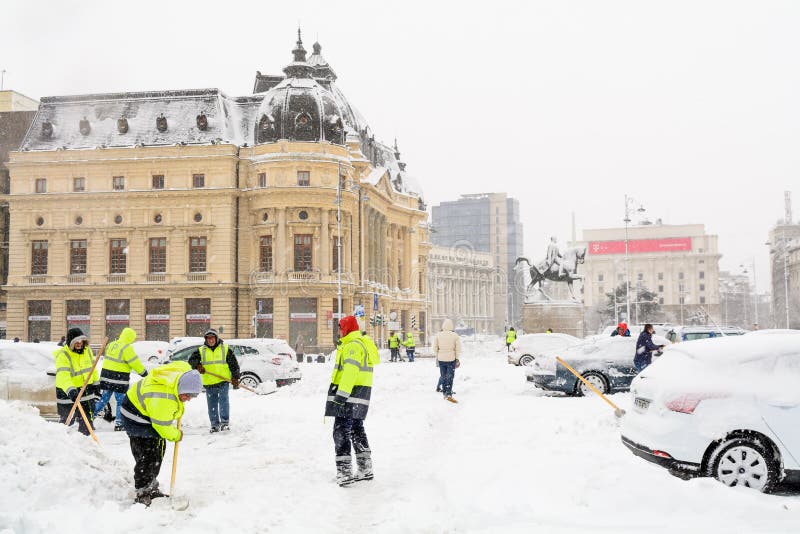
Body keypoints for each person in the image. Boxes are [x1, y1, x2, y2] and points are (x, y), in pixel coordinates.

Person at [119, 361, 201, 506]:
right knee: (147, 455)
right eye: (187, 395)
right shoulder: (163, 397)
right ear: (181, 388)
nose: (188, 399)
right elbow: (161, 425)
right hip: (135, 417)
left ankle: (151, 486)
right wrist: (176, 435)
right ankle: (142, 491)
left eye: (192, 396)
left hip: (147, 411)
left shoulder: (181, 375)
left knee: (158, 450)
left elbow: (186, 366)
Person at [325, 315, 379, 487]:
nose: (339, 331)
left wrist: (341, 395)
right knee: (356, 430)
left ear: (347, 329)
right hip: (359, 395)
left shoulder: (352, 346)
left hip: (350, 395)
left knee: (341, 431)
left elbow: (350, 372)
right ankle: (365, 468)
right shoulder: (359, 343)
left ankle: (345, 472)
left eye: (341, 328)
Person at [95, 327, 148, 431]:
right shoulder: (126, 348)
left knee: (103, 399)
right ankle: (119, 424)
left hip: (106, 377)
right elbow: (134, 363)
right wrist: (144, 373)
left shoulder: (111, 344)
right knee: (121, 401)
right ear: (130, 338)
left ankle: (89, 417)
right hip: (119, 379)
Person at [188, 329, 240, 433]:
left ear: (216, 338)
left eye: (212, 338)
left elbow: (233, 364)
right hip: (209, 383)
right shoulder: (201, 350)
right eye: (208, 338)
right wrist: (197, 365)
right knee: (212, 405)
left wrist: (235, 377)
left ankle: (225, 423)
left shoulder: (225, 349)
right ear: (206, 339)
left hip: (223, 381)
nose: (210, 340)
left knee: (223, 402)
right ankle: (214, 424)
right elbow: (191, 360)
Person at [53, 327, 99, 436]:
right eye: (75, 341)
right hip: (67, 391)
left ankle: (85, 443)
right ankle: (61, 443)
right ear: (70, 342)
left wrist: (96, 383)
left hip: (85, 389)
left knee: (87, 419)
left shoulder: (87, 350)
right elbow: (63, 375)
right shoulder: (63, 355)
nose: (79, 343)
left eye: (81, 341)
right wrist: (71, 390)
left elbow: (92, 368)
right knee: (67, 420)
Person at [434, 319, 461, 403]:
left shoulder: (438, 335)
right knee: (450, 376)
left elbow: (435, 348)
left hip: (441, 359)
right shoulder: (455, 335)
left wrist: (438, 355)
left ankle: (445, 393)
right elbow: (458, 349)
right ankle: (448, 393)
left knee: (443, 376)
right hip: (451, 359)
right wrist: (457, 358)